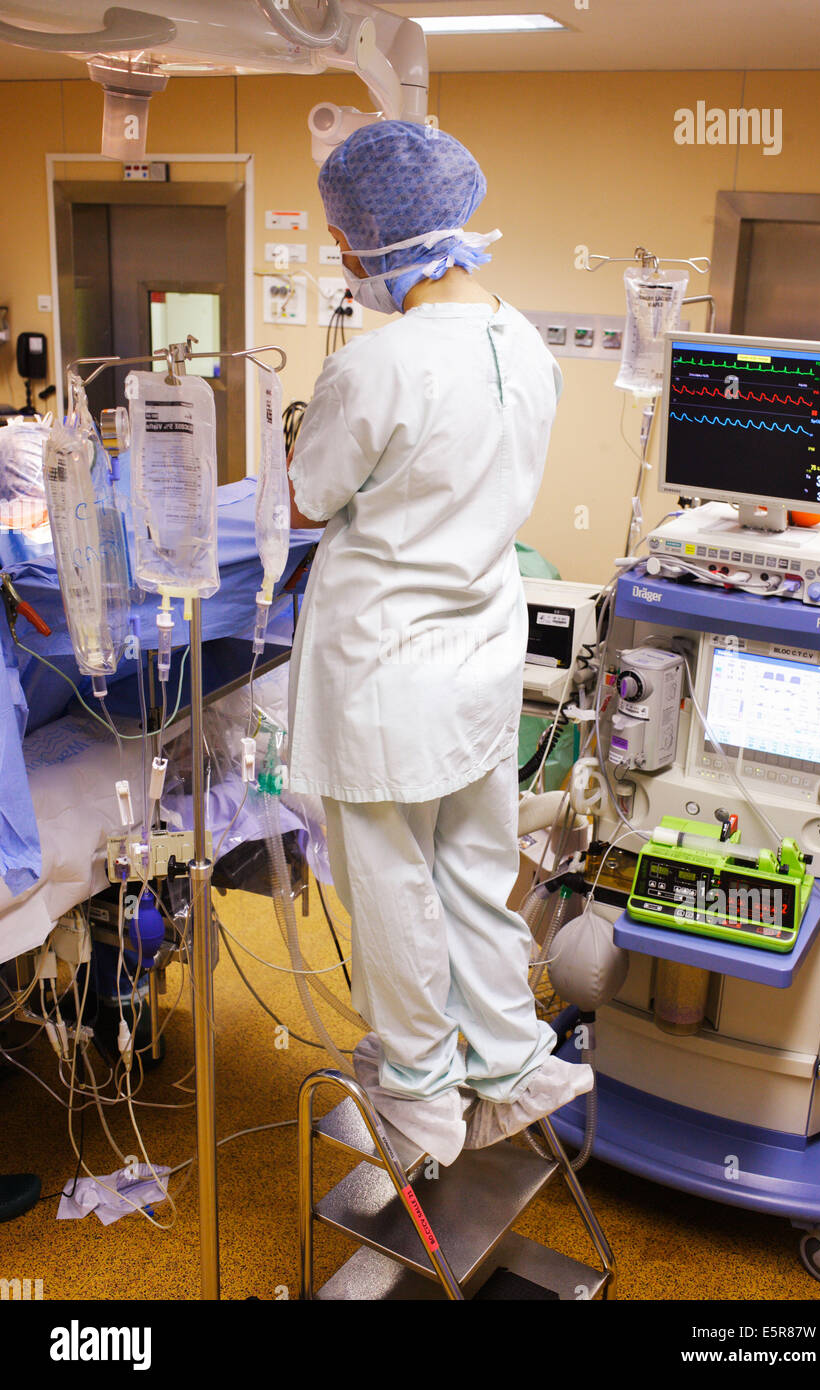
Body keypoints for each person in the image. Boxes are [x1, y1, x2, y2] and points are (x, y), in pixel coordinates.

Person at [286, 120, 592, 1165]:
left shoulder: (374, 367)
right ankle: (510, 1061)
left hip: (383, 668)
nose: (340, 260)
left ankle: (421, 1089)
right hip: (478, 657)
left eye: (340, 242)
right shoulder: (524, 339)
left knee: (389, 882)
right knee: (471, 864)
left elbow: (310, 491)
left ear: (368, 240)